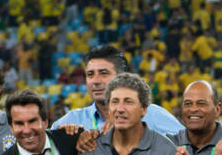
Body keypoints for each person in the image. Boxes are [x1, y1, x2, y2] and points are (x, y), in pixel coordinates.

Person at [51, 44, 184, 139]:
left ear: (123, 76)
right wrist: (63, 139)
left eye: (103, 73)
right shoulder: (72, 121)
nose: (95, 81)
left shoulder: (153, 115)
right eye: (90, 74)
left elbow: (189, 146)